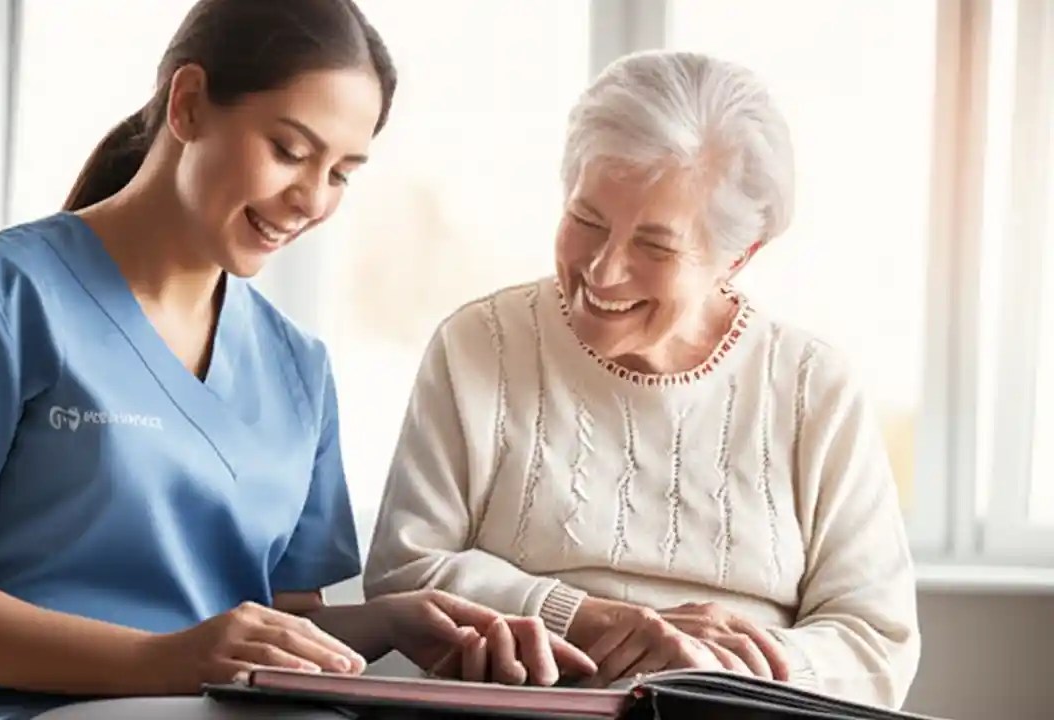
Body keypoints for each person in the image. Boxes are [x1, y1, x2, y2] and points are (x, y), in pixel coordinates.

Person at [0, 2, 593, 719]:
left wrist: (392, 623)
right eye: (289, 150)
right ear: (187, 104)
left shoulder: (298, 366)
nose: (312, 199)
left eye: (342, 173)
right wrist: (164, 661)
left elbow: (281, 627)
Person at [363, 50, 921, 708]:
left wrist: (721, 667)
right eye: (587, 221)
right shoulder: (479, 345)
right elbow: (406, 569)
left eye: (654, 246)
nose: (602, 271)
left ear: (736, 257)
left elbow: (876, 643)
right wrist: (583, 617)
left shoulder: (812, 387)